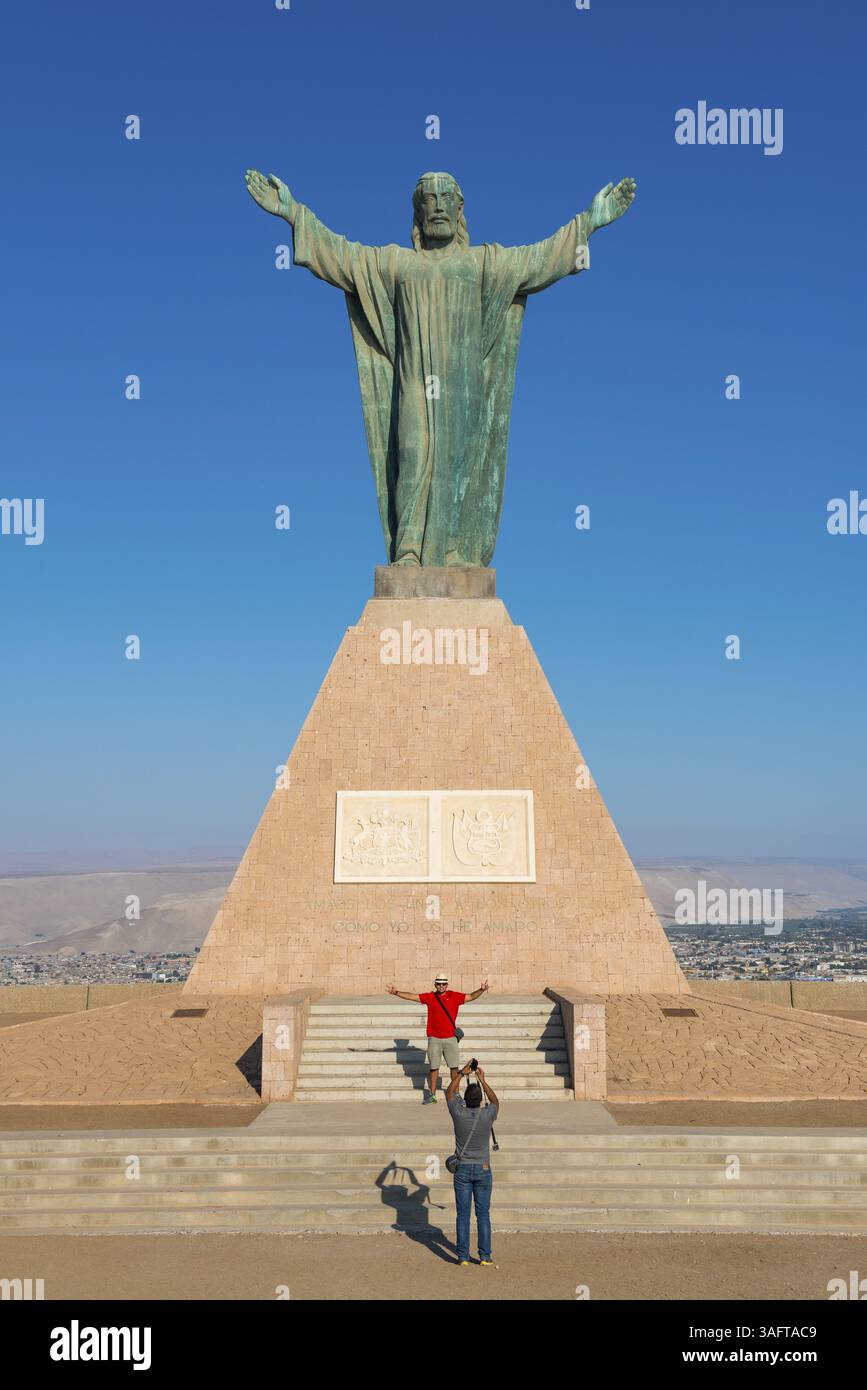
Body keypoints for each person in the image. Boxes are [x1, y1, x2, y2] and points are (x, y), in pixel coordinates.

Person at [387, 972, 489, 1101]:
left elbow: (471, 996)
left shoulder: (454, 996)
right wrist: (396, 992)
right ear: (435, 984)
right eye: (439, 984)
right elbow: (413, 997)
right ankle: (432, 1094)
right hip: (434, 1038)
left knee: (454, 1068)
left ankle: (456, 1094)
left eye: (443, 984)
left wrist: (481, 989)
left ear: (447, 985)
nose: (441, 986)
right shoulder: (430, 997)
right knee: (434, 1068)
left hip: (451, 1037)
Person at [446, 1063, 499, 1267]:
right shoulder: (487, 1115)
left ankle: (463, 1256)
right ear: (479, 1101)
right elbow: (495, 1100)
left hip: (463, 1170)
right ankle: (485, 1256)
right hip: (483, 1168)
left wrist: (461, 1073)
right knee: (483, 1214)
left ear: (466, 1100)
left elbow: (450, 1093)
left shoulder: (458, 1114)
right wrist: (483, 1080)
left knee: (463, 1214)